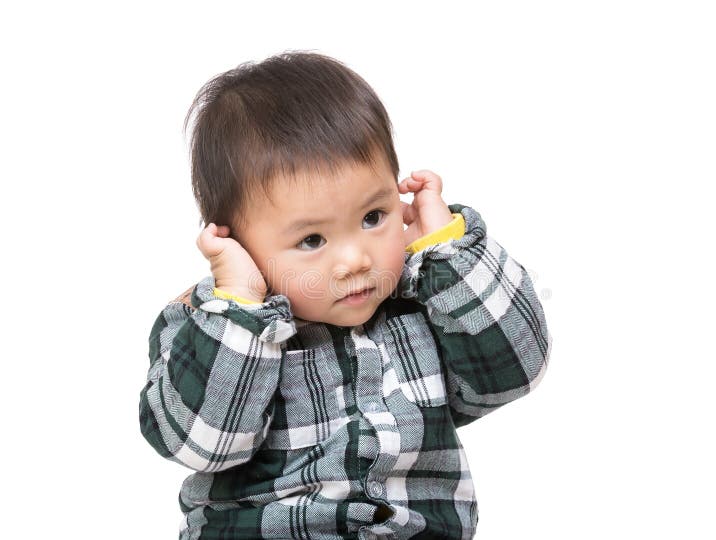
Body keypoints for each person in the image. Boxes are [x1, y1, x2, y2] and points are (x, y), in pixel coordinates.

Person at [139, 50, 551, 540]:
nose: (355, 259)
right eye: (312, 240)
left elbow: (513, 370)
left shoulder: (427, 302)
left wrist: (445, 253)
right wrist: (241, 309)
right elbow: (202, 444)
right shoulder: (205, 323)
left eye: (373, 217)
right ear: (237, 243)